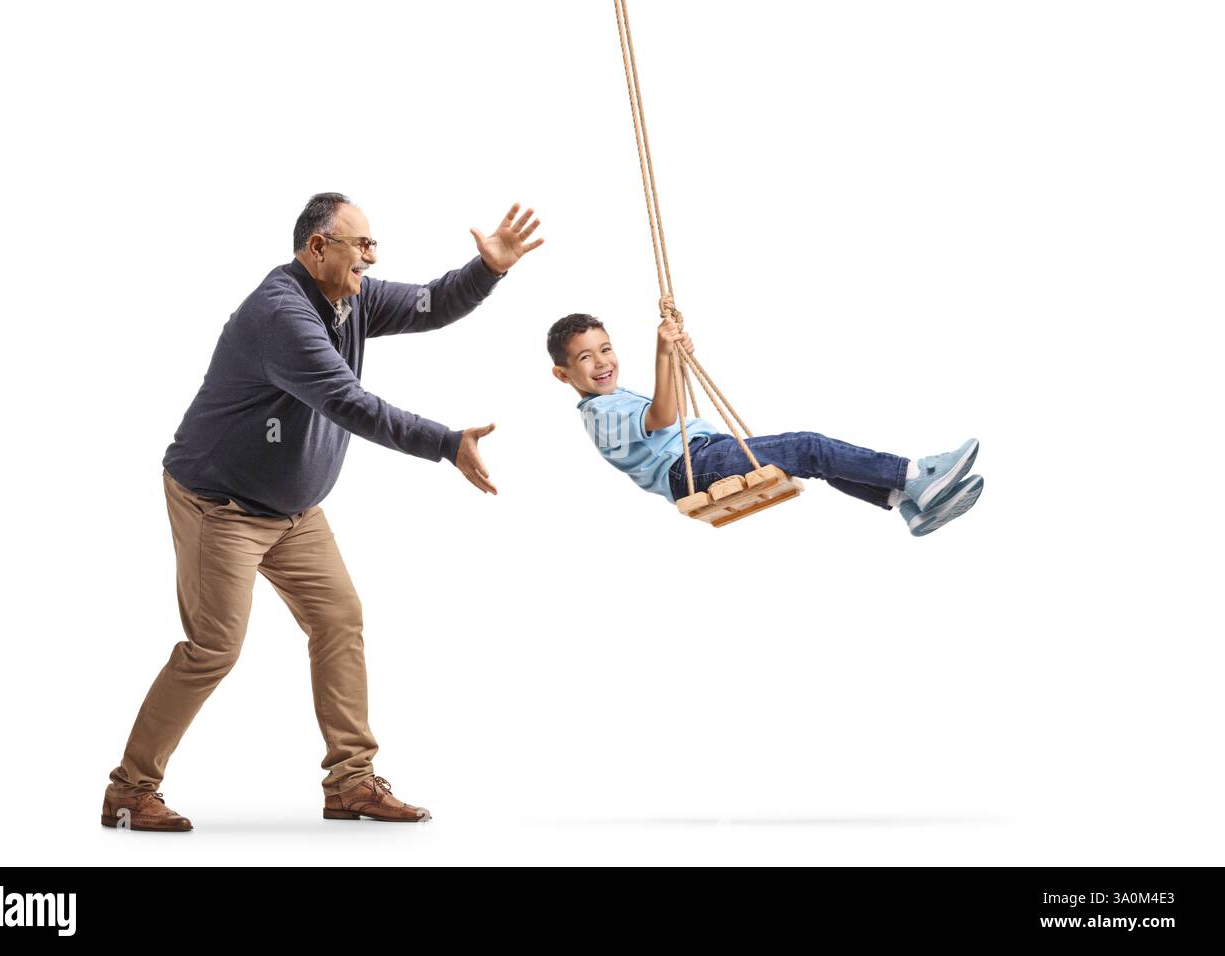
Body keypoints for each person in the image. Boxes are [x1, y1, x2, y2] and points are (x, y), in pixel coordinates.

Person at [102, 193, 543, 830]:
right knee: (214, 648)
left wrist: (489, 269)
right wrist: (447, 443)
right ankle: (128, 789)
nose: (371, 256)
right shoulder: (282, 316)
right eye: (360, 245)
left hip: (294, 512)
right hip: (220, 506)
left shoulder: (350, 295)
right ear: (318, 248)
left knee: (339, 620)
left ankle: (351, 783)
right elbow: (349, 402)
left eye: (371, 246)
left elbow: (430, 303)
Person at [548, 305, 983, 536]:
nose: (602, 362)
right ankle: (914, 474)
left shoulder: (612, 400)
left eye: (606, 348)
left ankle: (901, 501)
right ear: (563, 374)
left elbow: (665, 410)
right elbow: (665, 414)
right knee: (809, 446)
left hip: (698, 460)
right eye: (585, 357)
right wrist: (662, 353)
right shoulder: (599, 415)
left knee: (814, 463)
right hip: (694, 468)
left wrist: (675, 359)